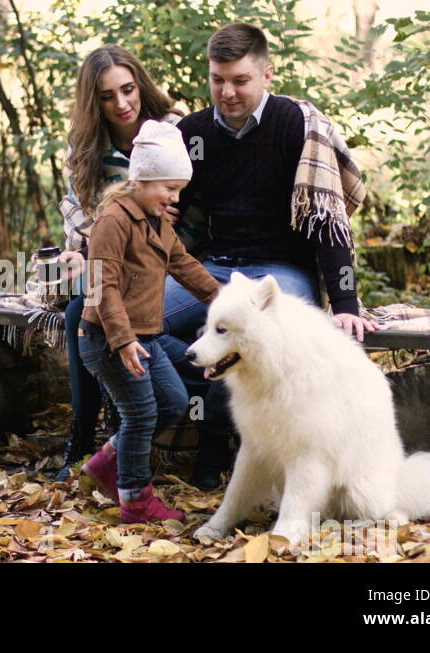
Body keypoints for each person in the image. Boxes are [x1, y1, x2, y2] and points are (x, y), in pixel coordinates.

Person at [159, 23, 379, 488]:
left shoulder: (298, 124)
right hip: (216, 266)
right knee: (141, 321)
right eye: (218, 79)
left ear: (266, 76)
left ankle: (215, 449)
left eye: (240, 80)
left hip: (280, 274)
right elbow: (172, 214)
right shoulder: (193, 133)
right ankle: (203, 404)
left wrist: (344, 305)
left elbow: (327, 217)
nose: (228, 92)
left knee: (266, 337)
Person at [78, 120, 222, 523]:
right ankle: (135, 499)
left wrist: (222, 298)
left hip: (147, 337)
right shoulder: (114, 220)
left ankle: (108, 460)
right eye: (169, 189)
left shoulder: (157, 220)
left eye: (179, 190)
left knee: (174, 402)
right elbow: (100, 285)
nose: (175, 198)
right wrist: (122, 341)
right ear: (142, 178)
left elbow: (182, 263)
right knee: (140, 414)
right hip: (107, 339)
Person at [53, 44, 182, 481]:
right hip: (106, 265)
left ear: (140, 85)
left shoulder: (172, 130)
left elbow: (196, 211)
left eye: (128, 90)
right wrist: (79, 249)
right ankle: (82, 434)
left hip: (162, 264)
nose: (122, 104)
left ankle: (118, 439)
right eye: (108, 96)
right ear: (95, 103)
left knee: (87, 312)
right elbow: (80, 215)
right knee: (79, 311)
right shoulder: (88, 148)